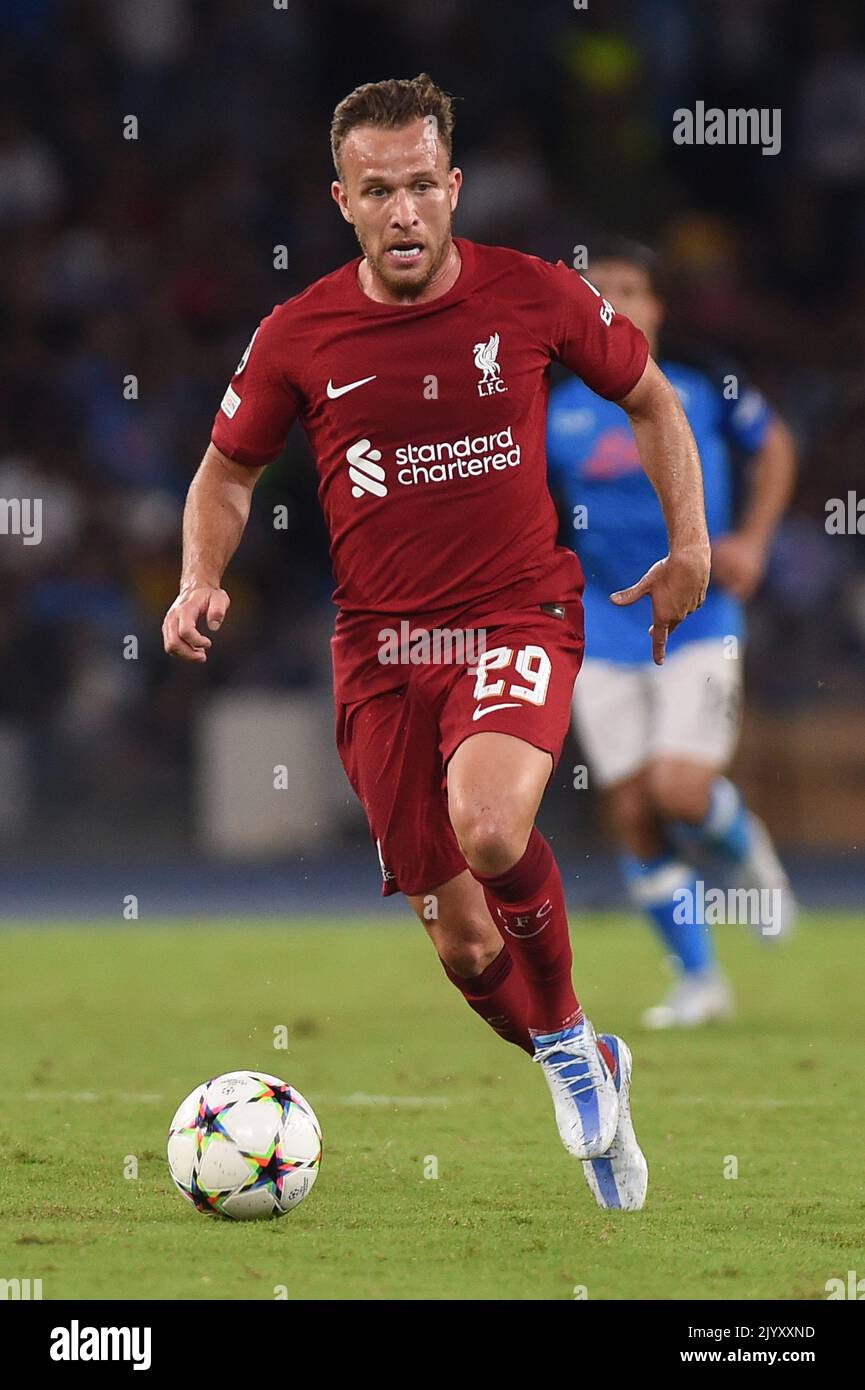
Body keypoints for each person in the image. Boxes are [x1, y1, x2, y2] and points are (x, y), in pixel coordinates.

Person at [163, 75, 711, 1211]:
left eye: (421, 185)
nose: (404, 210)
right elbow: (227, 468)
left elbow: (653, 401)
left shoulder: (535, 295)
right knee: (465, 946)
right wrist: (199, 579)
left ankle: (565, 1041)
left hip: (517, 613)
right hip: (379, 654)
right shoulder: (299, 333)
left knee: (492, 820)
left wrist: (689, 547)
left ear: (452, 187)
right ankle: (588, 1055)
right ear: (344, 202)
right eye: (378, 191)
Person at [547, 238, 797, 1030]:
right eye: (599, 290)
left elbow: (776, 445)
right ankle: (699, 981)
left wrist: (752, 540)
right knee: (631, 810)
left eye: (629, 288)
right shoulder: (553, 403)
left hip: (697, 619)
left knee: (679, 790)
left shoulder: (703, 382)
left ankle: (746, 857)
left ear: (657, 305)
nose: (614, 302)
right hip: (602, 620)